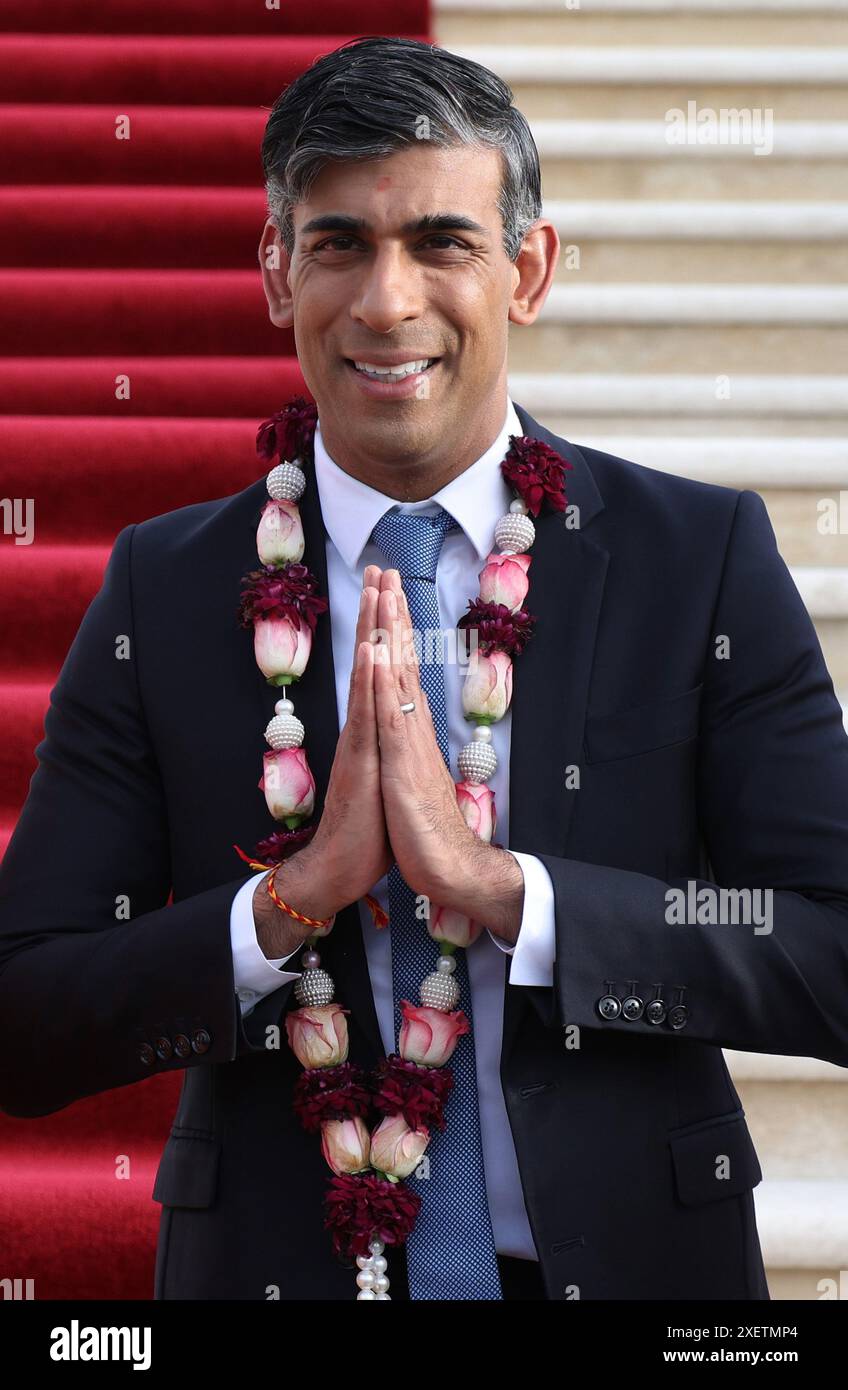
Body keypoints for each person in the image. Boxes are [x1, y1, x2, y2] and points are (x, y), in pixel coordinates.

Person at [1, 36, 847, 1303]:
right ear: (277, 276)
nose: (386, 303)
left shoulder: (694, 560)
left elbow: (827, 946)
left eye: (442, 242)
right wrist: (287, 903)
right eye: (338, 243)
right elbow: (25, 1014)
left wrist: (510, 892)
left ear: (528, 269)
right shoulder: (164, 586)